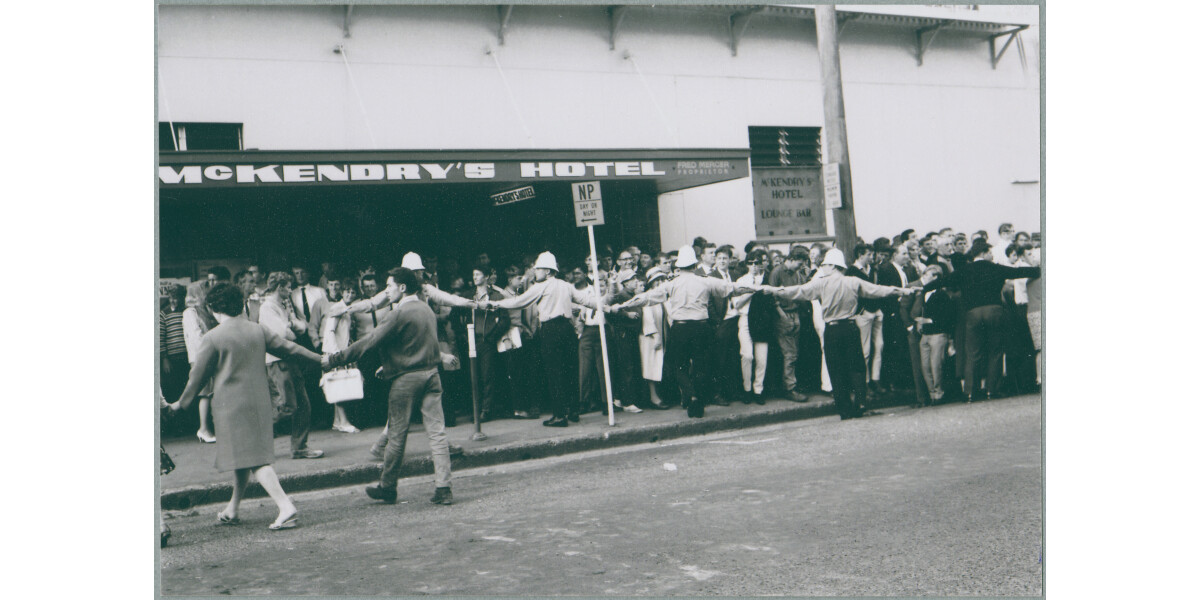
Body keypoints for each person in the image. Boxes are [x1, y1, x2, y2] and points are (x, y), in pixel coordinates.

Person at [168, 283, 321, 530]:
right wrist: (322, 359)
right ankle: (233, 508)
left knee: (254, 460)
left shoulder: (213, 337)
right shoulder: (257, 330)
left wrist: (180, 405)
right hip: (259, 402)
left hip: (231, 406)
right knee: (245, 457)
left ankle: (285, 506)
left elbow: (196, 379)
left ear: (213, 308)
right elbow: (291, 349)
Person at [325, 267, 454, 506]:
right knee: (437, 434)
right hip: (432, 375)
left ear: (402, 288)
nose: (387, 291)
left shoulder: (399, 313)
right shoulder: (426, 310)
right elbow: (423, 344)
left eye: (390, 286)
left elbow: (370, 341)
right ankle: (443, 487)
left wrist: (334, 359)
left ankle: (388, 486)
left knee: (397, 434)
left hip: (406, 380)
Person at [763, 249, 913, 420]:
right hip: (851, 327)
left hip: (832, 330)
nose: (823, 267)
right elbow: (878, 290)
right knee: (857, 367)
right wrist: (903, 291)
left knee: (836, 370)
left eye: (825, 264)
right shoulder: (853, 281)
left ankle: (844, 409)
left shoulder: (821, 283)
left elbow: (797, 291)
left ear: (832, 266)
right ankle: (860, 402)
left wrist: (772, 290)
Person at [608, 245, 756, 418]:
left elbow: (647, 297)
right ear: (694, 265)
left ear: (679, 266)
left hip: (681, 328)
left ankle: (691, 395)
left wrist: (623, 305)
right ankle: (696, 398)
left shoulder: (673, 284)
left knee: (677, 366)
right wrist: (759, 288)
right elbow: (732, 288)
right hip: (701, 327)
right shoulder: (705, 280)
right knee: (701, 366)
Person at [484, 251, 602, 427]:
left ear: (547, 271)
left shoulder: (540, 287)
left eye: (538, 269)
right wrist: (607, 306)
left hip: (551, 329)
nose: (535, 271)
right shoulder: (565, 285)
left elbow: (518, 302)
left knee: (554, 372)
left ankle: (560, 415)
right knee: (570, 369)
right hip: (567, 328)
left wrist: (495, 303)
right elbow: (587, 300)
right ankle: (573, 410)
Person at [947, 240, 1041, 402]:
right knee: (995, 351)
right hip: (994, 311)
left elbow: (943, 281)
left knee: (973, 353)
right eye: (990, 252)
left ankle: (970, 392)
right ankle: (992, 390)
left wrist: (923, 287)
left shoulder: (964, 270)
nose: (992, 255)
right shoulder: (994, 267)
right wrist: (1037, 270)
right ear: (983, 253)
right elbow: (1017, 272)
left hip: (973, 314)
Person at [259, 272, 324, 459]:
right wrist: (290, 326)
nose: (290, 289)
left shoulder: (283, 305)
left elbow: (301, 326)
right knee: (287, 406)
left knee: (303, 405)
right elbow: (283, 334)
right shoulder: (267, 308)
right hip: (277, 361)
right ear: (279, 287)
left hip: (289, 359)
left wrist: (290, 325)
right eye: (287, 286)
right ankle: (255, 437)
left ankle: (299, 447)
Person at [317, 278, 362, 433]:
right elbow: (329, 331)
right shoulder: (338, 308)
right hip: (334, 353)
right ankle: (344, 422)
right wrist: (336, 353)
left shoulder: (346, 309)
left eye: (353, 292)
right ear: (342, 292)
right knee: (339, 387)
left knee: (340, 386)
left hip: (340, 352)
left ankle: (338, 421)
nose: (350, 294)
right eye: (347, 291)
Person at [769, 247, 812, 403]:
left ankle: (791, 384)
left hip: (795, 314)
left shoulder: (797, 274)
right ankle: (789, 388)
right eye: (799, 264)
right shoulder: (777, 272)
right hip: (783, 316)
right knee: (789, 353)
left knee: (794, 352)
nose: (800, 268)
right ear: (792, 259)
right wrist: (783, 316)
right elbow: (772, 297)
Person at [732, 249, 774, 404]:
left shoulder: (767, 280)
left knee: (762, 358)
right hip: (745, 319)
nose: (754, 266)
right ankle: (747, 389)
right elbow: (736, 303)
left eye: (757, 263)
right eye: (751, 263)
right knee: (747, 355)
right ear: (747, 265)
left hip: (762, 321)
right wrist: (752, 290)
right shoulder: (742, 280)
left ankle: (758, 390)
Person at [470, 265, 511, 422]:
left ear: (486, 277)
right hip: (472, 340)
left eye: (478, 274)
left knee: (487, 375)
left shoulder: (496, 296)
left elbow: (504, 319)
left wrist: (492, 335)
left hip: (487, 340)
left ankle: (486, 410)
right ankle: (475, 408)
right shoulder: (470, 295)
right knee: (474, 376)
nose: (475, 277)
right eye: (474, 274)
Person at [911, 265, 956, 404]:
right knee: (925, 366)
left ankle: (938, 393)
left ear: (936, 278)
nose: (925, 278)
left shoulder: (942, 295)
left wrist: (926, 320)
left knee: (936, 365)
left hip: (938, 334)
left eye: (929, 275)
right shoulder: (925, 294)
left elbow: (947, 318)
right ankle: (932, 393)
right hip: (926, 334)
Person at [847, 243, 886, 399]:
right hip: (864, 313)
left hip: (876, 311)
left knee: (879, 345)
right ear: (860, 255)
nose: (872, 257)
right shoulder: (852, 271)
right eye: (869, 254)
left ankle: (875, 379)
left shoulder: (874, 270)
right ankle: (864, 381)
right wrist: (861, 310)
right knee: (865, 350)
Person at [182, 281, 218, 443]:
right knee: (205, 392)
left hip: (207, 355)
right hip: (200, 357)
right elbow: (196, 337)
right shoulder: (190, 313)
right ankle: (203, 428)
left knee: (210, 391)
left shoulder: (201, 311)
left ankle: (209, 428)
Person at [638, 267, 671, 409]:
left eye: (662, 280)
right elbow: (648, 319)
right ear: (651, 283)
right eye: (657, 281)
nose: (660, 283)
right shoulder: (648, 296)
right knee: (651, 365)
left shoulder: (664, 298)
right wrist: (655, 335)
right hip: (650, 337)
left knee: (659, 365)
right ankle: (653, 397)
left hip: (662, 335)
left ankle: (659, 395)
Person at [160, 284, 189, 407]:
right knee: (173, 389)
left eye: (176, 298)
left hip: (186, 357)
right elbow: (160, 338)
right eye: (171, 297)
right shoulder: (163, 313)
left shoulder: (186, 312)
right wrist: (165, 359)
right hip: (171, 359)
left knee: (185, 387)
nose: (173, 300)